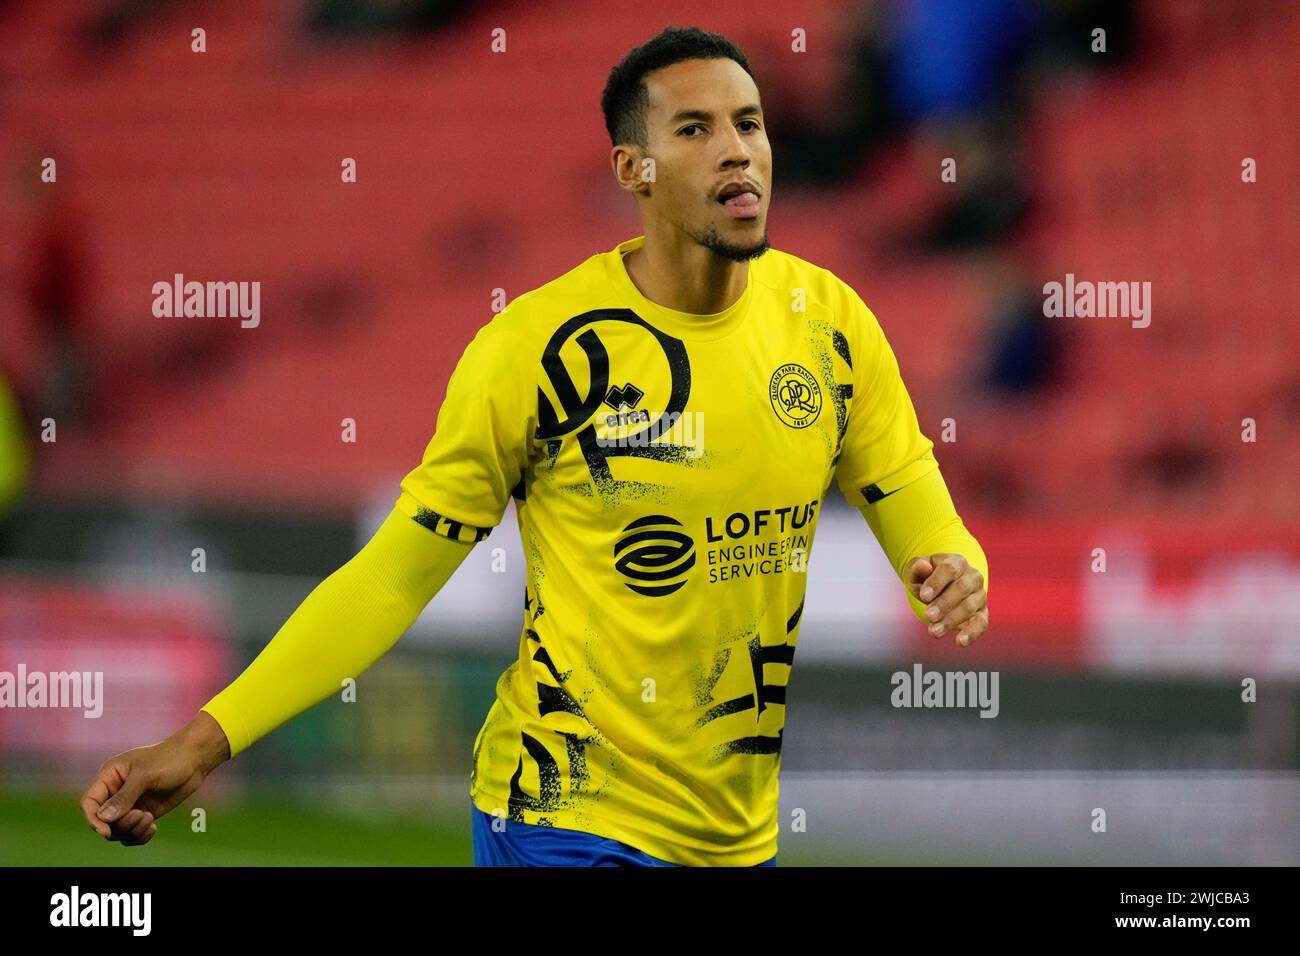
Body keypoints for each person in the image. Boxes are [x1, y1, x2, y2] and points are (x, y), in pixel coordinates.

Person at [80, 26, 989, 867]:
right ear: (633, 169)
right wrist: (205, 741)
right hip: (562, 817)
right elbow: (393, 576)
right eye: (696, 129)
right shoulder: (538, 351)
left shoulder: (827, 325)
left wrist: (952, 561)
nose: (737, 149)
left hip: (733, 837)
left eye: (749, 123)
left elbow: (908, 486)